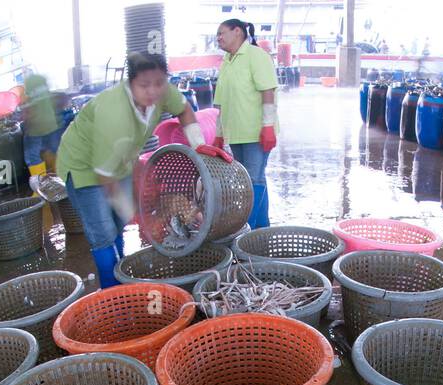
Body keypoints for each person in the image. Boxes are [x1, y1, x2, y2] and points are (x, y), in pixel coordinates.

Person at [56, 52, 208, 288]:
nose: (153, 91)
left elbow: (184, 110)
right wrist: (140, 214)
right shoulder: (113, 111)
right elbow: (105, 175)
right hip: (84, 164)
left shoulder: (163, 91)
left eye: (159, 83)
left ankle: (121, 270)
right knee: (102, 231)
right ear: (130, 83)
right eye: (144, 85)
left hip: (121, 158)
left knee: (119, 221)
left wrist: (200, 147)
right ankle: (113, 290)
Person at [212, 19, 278, 229]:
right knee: (252, 179)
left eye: (222, 33)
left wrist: (268, 126)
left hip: (256, 132)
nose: (218, 38)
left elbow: (267, 91)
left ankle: (245, 231)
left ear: (237, 31)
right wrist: (219, 133)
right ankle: (261, 228)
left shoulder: (256, 56)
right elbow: (221, 102)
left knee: (252, 181)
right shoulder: (226, 61)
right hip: (236, 133)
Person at [21, 71, 63, 186]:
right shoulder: (42, 79)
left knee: (32, 155)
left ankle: (41, 187)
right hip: (51, 124)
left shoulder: (29, 83)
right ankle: (61, 182)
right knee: (55, 151)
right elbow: (53, 100)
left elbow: (29, 107)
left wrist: (25, 119)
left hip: (36, 127)